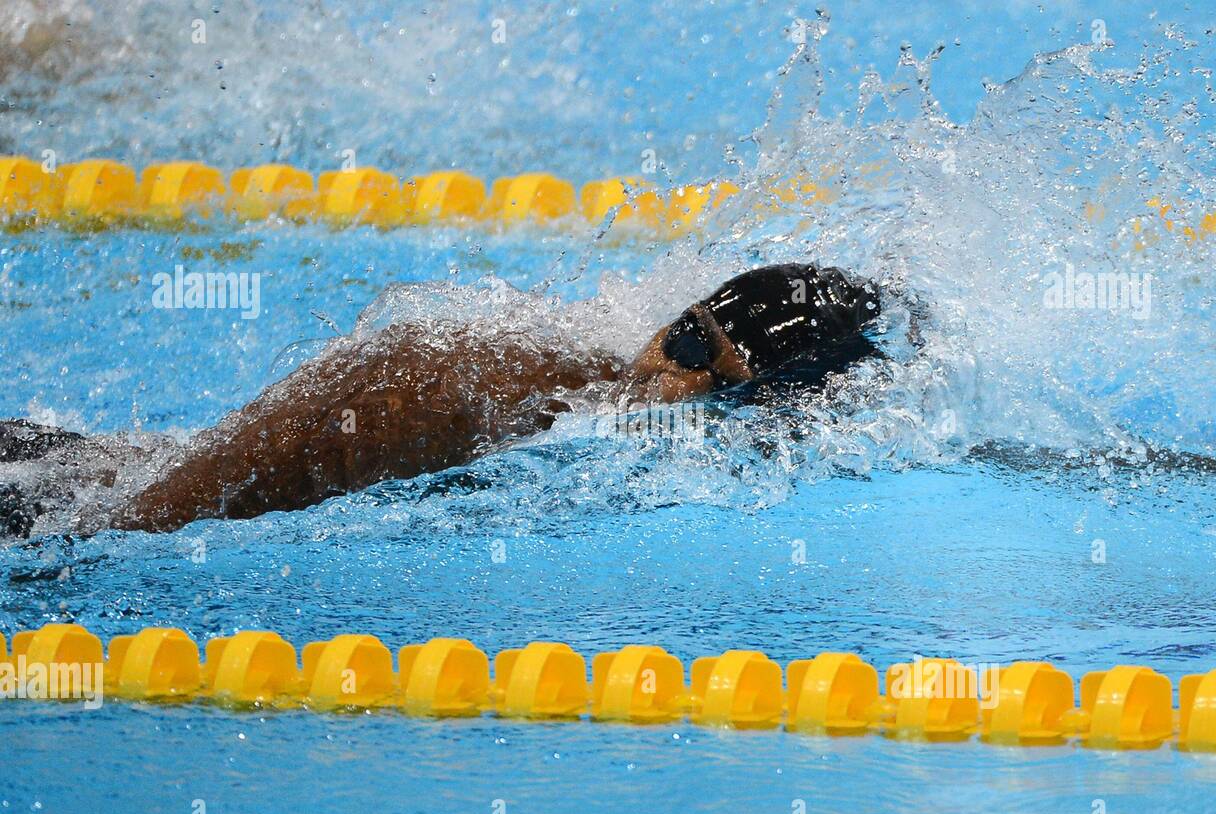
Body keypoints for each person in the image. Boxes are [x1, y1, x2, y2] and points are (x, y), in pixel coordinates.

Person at [1, 263, 886, 536]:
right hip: (305, 439)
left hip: (151, 465)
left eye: (707, 363)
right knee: (101, 519)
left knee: (94, 471)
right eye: (687, 336)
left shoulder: (590, 395)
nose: (675, 369)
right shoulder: (544, 399)